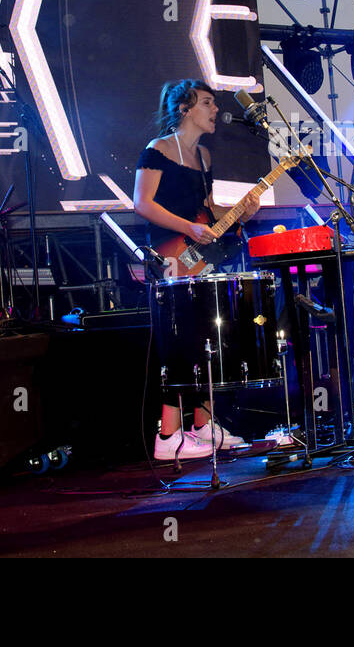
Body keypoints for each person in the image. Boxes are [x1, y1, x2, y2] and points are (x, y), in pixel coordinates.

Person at [133, 79, 260, 462]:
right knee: (179, 340)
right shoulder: (157, 150)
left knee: (204, 336)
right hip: (170, 255)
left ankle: (203, 426)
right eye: (207, 103)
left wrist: (242, 211)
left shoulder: (204, 156)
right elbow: (142, 203)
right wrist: (188, 228)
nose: (215, 110)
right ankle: (168, 435)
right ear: (184, 108)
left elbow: (207, 210)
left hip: (198, 257)